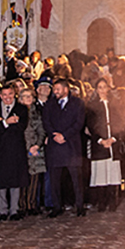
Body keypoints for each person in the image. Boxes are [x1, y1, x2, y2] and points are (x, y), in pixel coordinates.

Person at [42, 77, 86, 217]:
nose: (55, 92)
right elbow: (46, 121)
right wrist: (54, 134)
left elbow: (79, 123)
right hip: (55, 146)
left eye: (57, 89)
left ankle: (79, 206)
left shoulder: (77, 103)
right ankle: (57, 206)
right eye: (54, 89)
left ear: (66, 89)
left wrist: (65, 135)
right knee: (54, 178)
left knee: (76, 179)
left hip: (71, 145)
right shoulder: (50, 104)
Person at [0, 83, 29, 220]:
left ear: (15, 94)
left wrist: (1, 124)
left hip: (16, 150)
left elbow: (20, 128)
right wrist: (7, 122)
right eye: (4, 95)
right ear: (0, 96)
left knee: (15, 181)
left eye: (10, 94)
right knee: (1, 182)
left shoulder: (22, 109)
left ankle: (14, 210)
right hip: (0, 150)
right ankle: (2, 210)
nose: (7, 98)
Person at [85, 78, 123, 212]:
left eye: (104, 87)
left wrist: (113, 138)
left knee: (113, 173)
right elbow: (91, 125)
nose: (102, 90)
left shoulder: (115, 104)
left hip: (113, 143)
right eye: (99, 87)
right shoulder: (92, 106)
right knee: (101, 173)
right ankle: (102, 202)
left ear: (108, 89)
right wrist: (101, 140)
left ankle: (113, 202)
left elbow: (119, 123)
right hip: (99, 144)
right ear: (96, 90)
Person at [19, 86, 45, 217]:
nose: (27, 99)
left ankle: (32, 203)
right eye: (24, 96)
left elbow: (41, 130)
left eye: (30, 96)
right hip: (20, 148)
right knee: (22, 178)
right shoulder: (17, 112)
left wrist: (37, 145)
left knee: (35, 178)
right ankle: (22, 204)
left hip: (34, 149)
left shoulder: (37, 113)